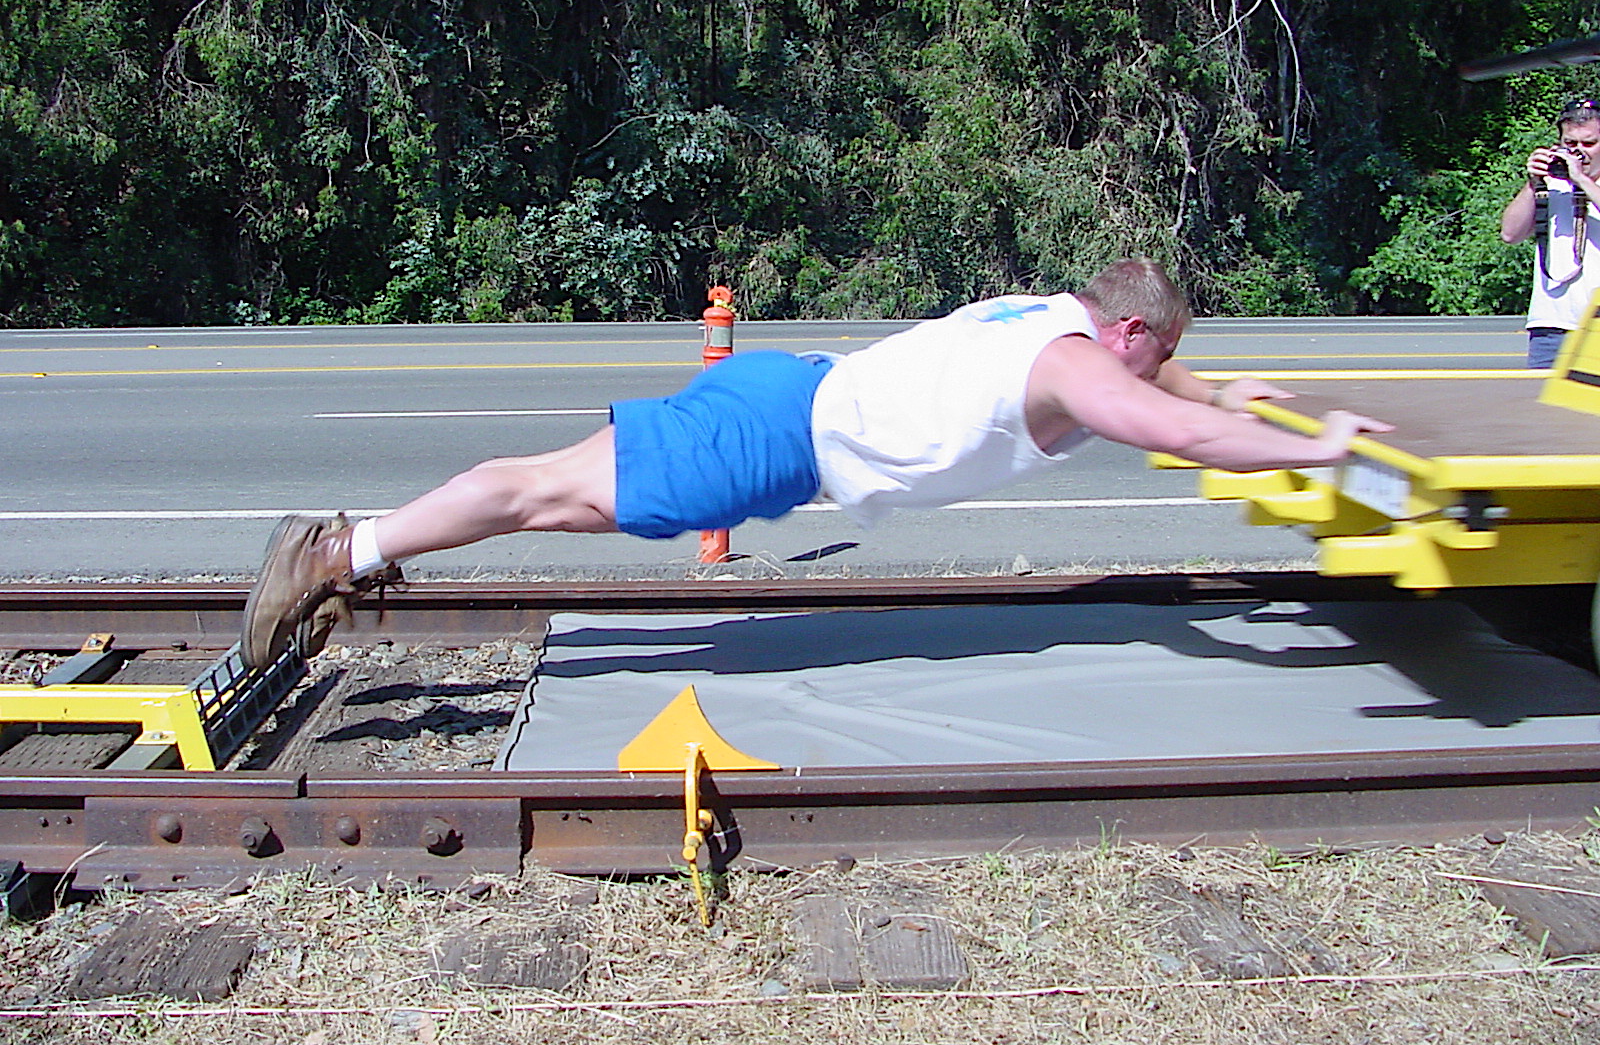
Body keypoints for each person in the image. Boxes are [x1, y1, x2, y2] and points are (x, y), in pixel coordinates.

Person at [240, 258, 1392, 667]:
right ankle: (341, 550)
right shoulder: (1081, 369)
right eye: (1166, 353)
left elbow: (1171, 386)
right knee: (539, 496)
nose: (1162, 370)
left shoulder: (1051, 316)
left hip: (789, 394)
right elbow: (1172, 427)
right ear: (1128, 334)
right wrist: (1326, 447)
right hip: (778, 441)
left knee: (552, 501)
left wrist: (1239, 393)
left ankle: (364, 547)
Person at [1500, 97, 1600, 368]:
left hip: (1597, 328)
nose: (1579, 152)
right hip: (1551, 327)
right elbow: (1510, 234)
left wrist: (1581, 179)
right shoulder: (1551, 185)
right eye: (1571, 144)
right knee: (1543, 409)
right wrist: (1534, 183)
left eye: (1589, 144)